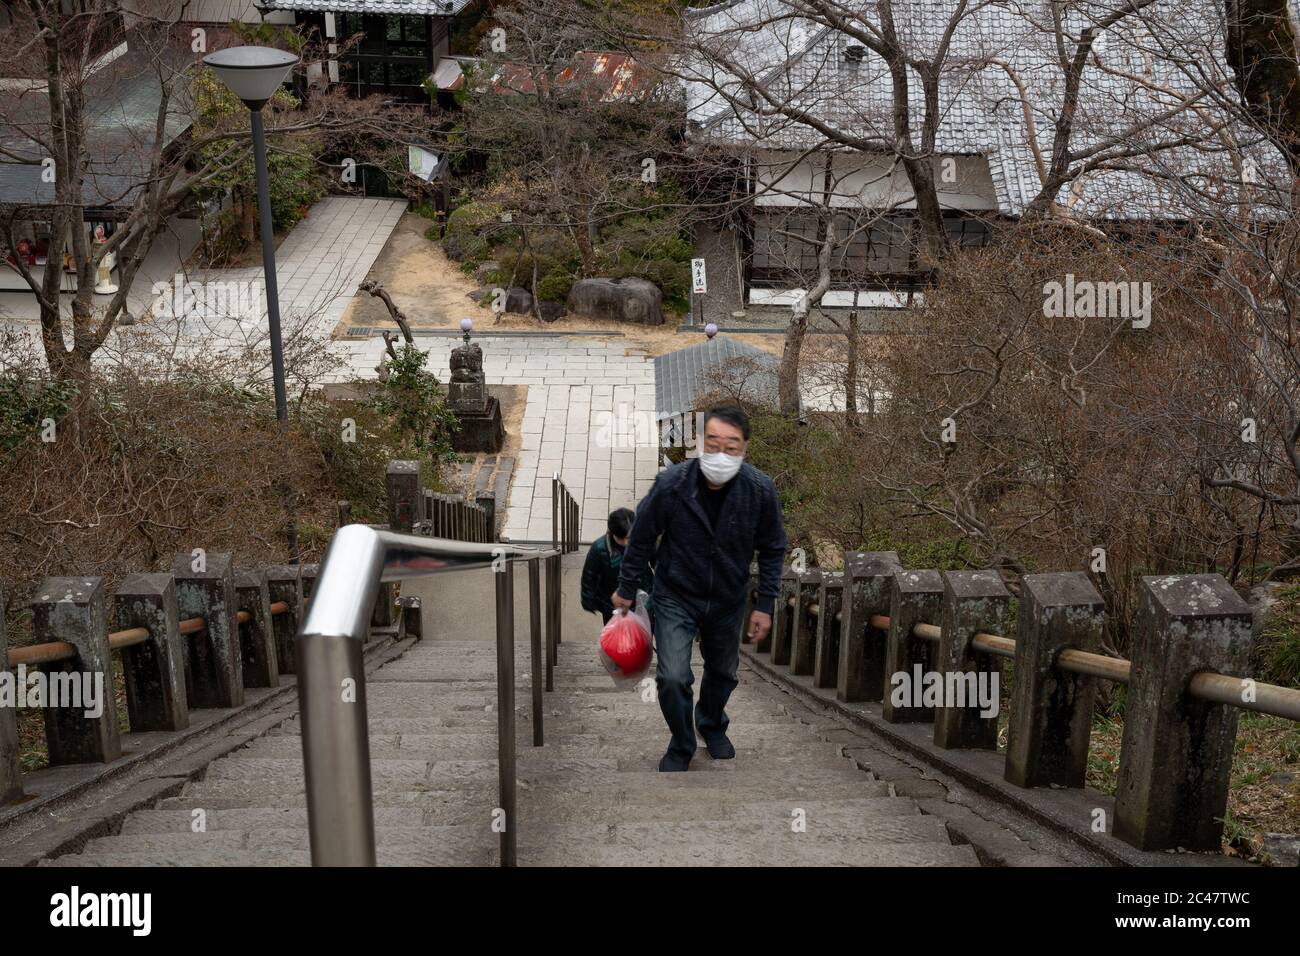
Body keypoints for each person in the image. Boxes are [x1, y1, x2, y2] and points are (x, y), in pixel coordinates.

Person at [612, 404, 787, 771]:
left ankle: (711, 722)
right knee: (673, 675)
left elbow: (772, 547)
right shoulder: (671, 485)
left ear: (745, 449)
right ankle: (682, 742)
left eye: (732, 446)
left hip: (728, 598)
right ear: (699, 443)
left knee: (724, 672)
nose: (721, 454)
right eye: (713, 443)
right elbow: (642, 536)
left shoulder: (759, 490)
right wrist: (627, 588)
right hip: (677, 594)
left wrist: (765, 604)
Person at [581, 508, 653, 624]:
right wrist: (588, 599)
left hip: (642, 598)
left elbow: (657, 561)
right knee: (616, 636)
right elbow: (589, 575)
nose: (627, 542)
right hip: (612, 604)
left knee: (642, 634)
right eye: (622, 538)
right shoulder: (599, 549)